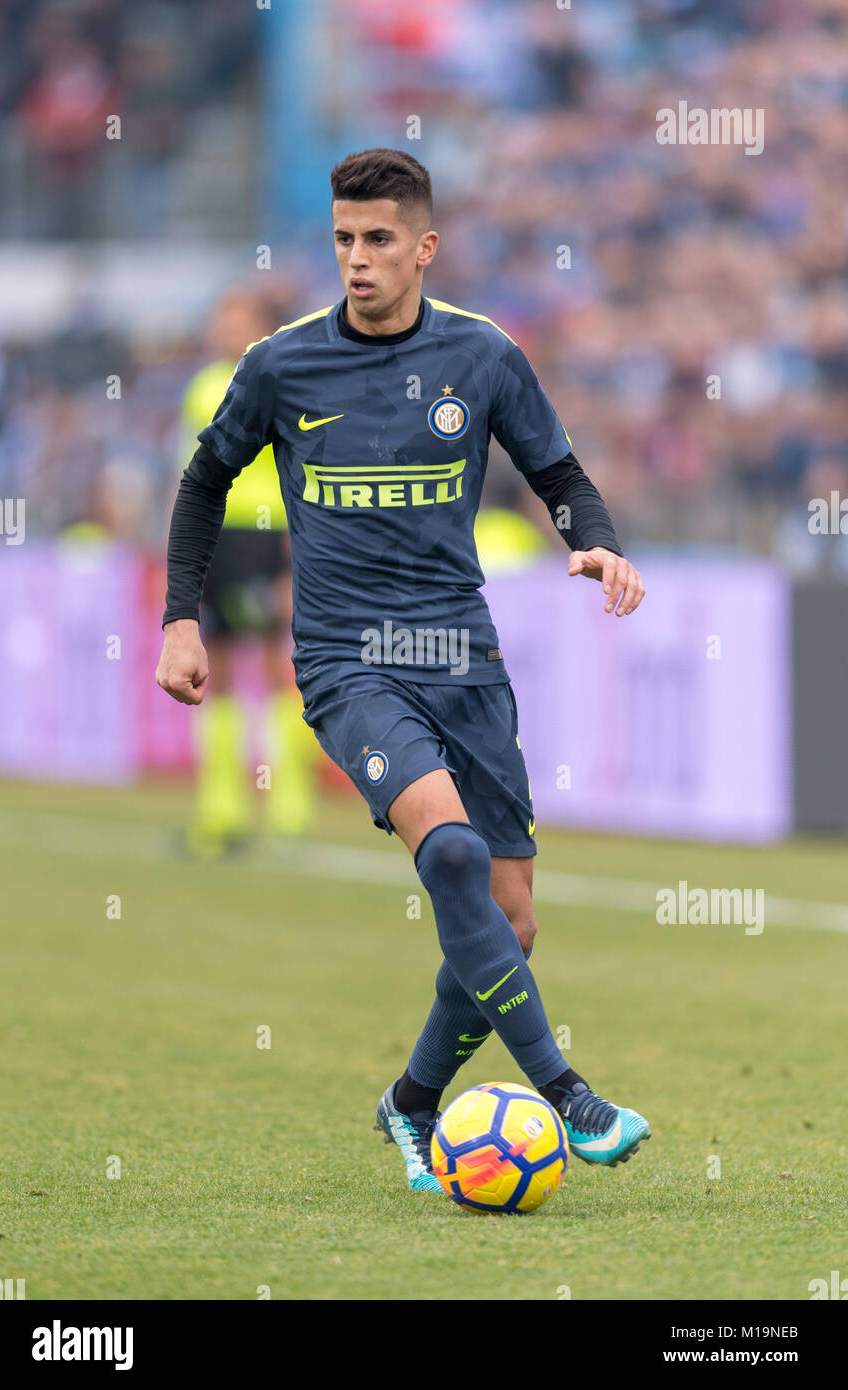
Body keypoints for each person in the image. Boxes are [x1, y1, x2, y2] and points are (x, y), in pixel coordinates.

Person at [156, 148, 649, 1192]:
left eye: (378, 239)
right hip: (347, 661)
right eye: (342, 239)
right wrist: (178, 621)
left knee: (510, 922)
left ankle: (410, 1103)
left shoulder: (483, 357)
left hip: (461, 657)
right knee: (455, 858)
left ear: (423, 246)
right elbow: (202, 485)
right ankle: (568, 1097)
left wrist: (593, 537)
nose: (356, 259)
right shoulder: (281, 365)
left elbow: (555, 471)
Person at [177, 290, 318, 854]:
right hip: (220, 540)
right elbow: (194, 476)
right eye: (222, 318)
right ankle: (223, 811)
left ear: (263, 329)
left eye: (239, 319)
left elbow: (299, 469)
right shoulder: (205, 386)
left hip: (270, 538)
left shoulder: (283, 382)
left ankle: (288, 810)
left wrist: (292, 556)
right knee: (220, 674)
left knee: (281, 666)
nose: (226, 328)